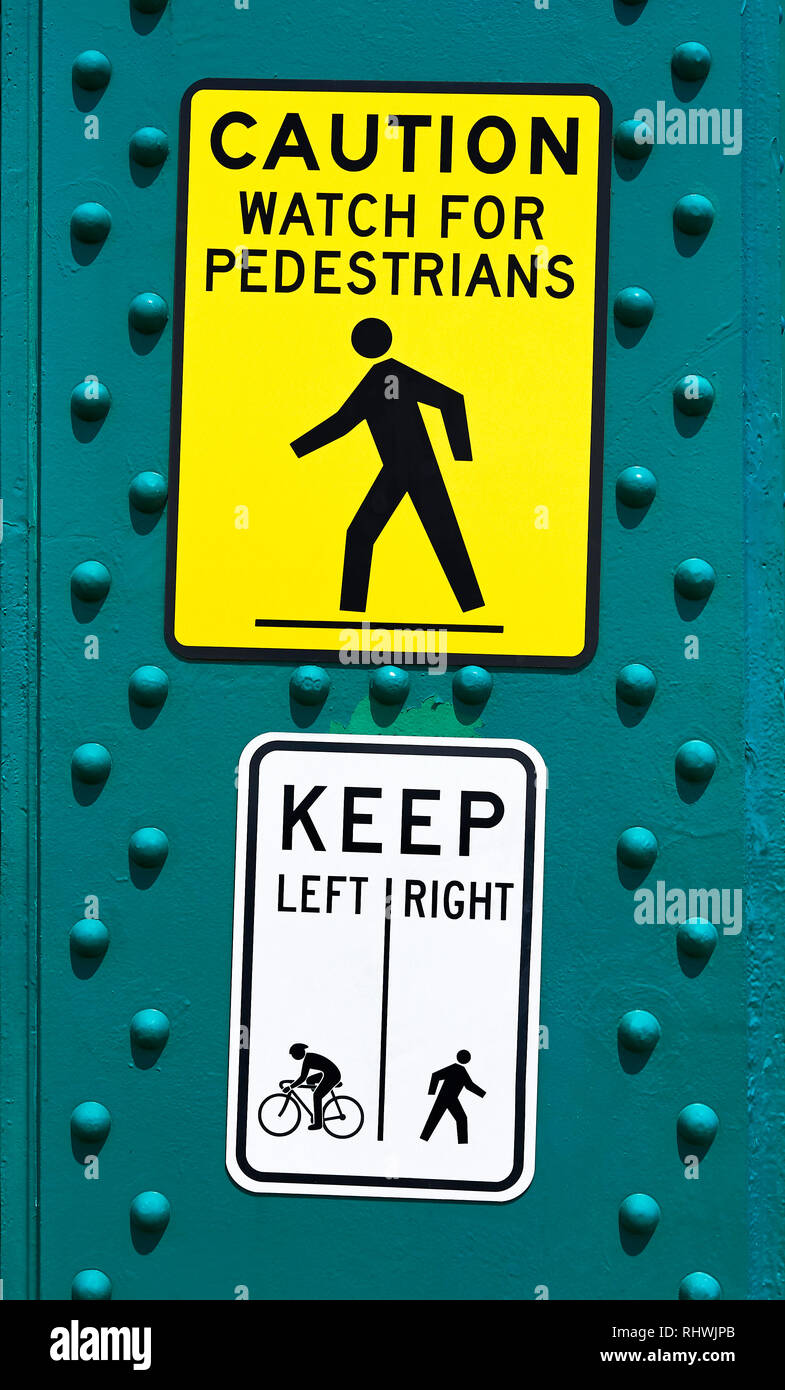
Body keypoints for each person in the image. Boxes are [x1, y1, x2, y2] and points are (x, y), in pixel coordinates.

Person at [291, 318, 484, 613]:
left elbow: (451, 400)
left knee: (440, 535)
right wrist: (299, 448)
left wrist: (462, 454)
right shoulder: (377, 379)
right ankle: (352, 614)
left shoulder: (389, 373)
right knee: (364, 535)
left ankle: (471, 607)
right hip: (400, 469)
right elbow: (342, 423)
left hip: (417, 468)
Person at [420, 1049, 485, 1144]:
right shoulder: (455, 1068)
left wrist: (482, 1094)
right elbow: (435, 1076)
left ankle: (462, 1143)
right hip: (444, 1097)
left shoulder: (461, 1070)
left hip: (451, 1098)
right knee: (436, 1118)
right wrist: (431, 1093)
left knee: (460, 1118)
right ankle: (424, 1139)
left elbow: (469, 1086)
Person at [285, 1043, 341, 1131]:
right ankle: (326, 1088)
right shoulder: (308, 1057)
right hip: (330, 1073)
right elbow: (304, 1078)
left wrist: (290, 1087)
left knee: (316, 1096)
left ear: (298, 1053)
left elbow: (302, 1078)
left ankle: (318, 1124)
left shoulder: (308, 1059)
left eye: (294, 1055)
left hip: (332, 1075)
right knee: (310, 1080)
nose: (294, 1057)